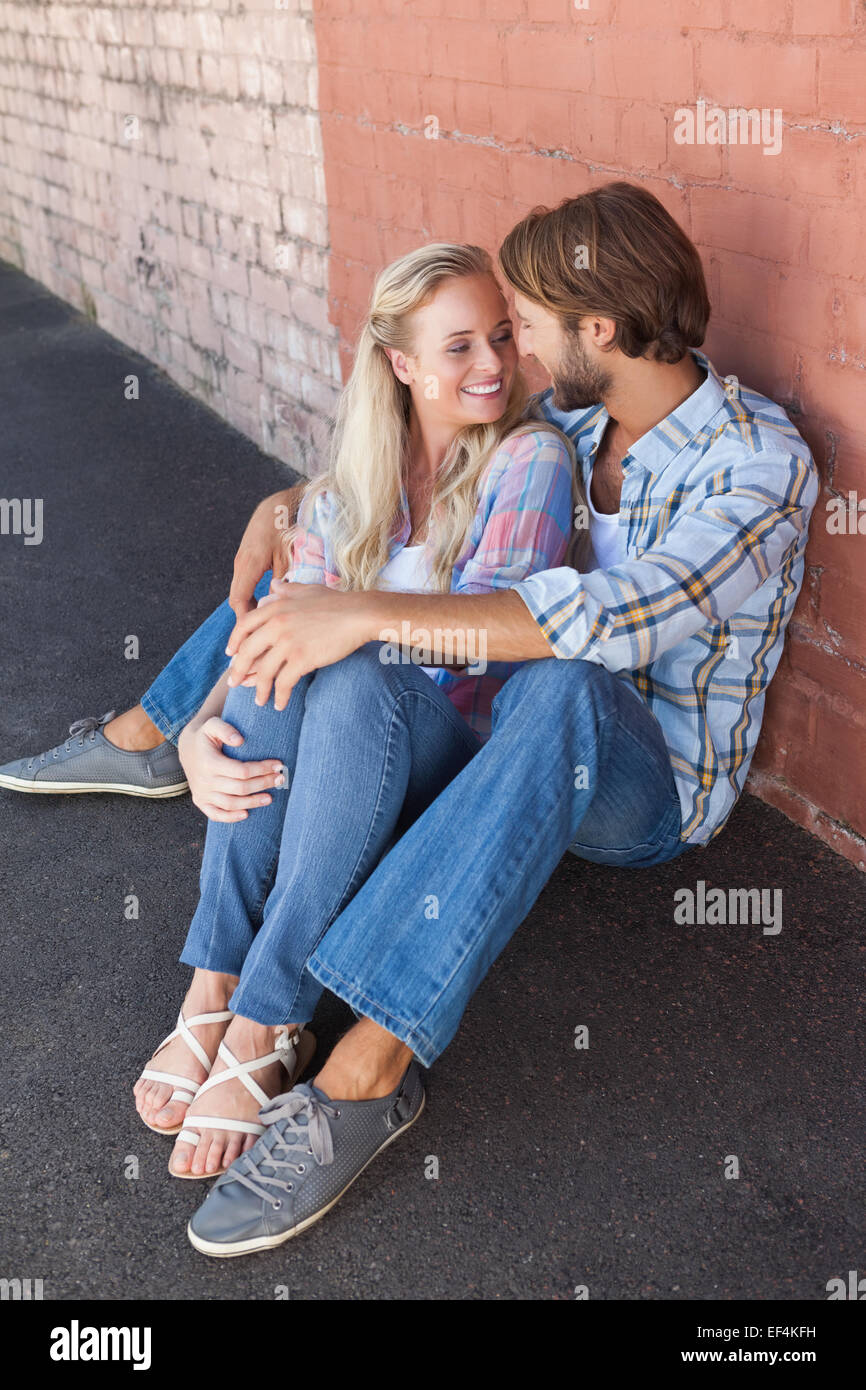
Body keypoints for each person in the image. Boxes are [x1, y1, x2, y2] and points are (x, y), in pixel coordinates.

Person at [0, 183, 818, 1258]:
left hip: (642, 782)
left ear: (599, 330)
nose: (512, 350)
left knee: (550, 676)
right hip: (502, 744)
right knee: (335, 640)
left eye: (523, 323)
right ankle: (208, 870)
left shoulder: (758, 463)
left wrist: (359, 607)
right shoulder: (577, 416)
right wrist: (283, 507)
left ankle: (365, 1071)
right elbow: (387, 485)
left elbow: (613, 617)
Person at [130, 241, 581, 1181]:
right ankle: (212, 986)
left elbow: (490, 652)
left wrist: (356, 629)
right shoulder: (351, 484)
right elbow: (283, 620)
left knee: (353, 667)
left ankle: (267, 1018)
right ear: (400, 364)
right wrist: (205, 730)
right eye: (458, 347)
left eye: (501, 337)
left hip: (451, 757)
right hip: (338, 760)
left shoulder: (529, 457)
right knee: (285, 659)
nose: (494, 364)